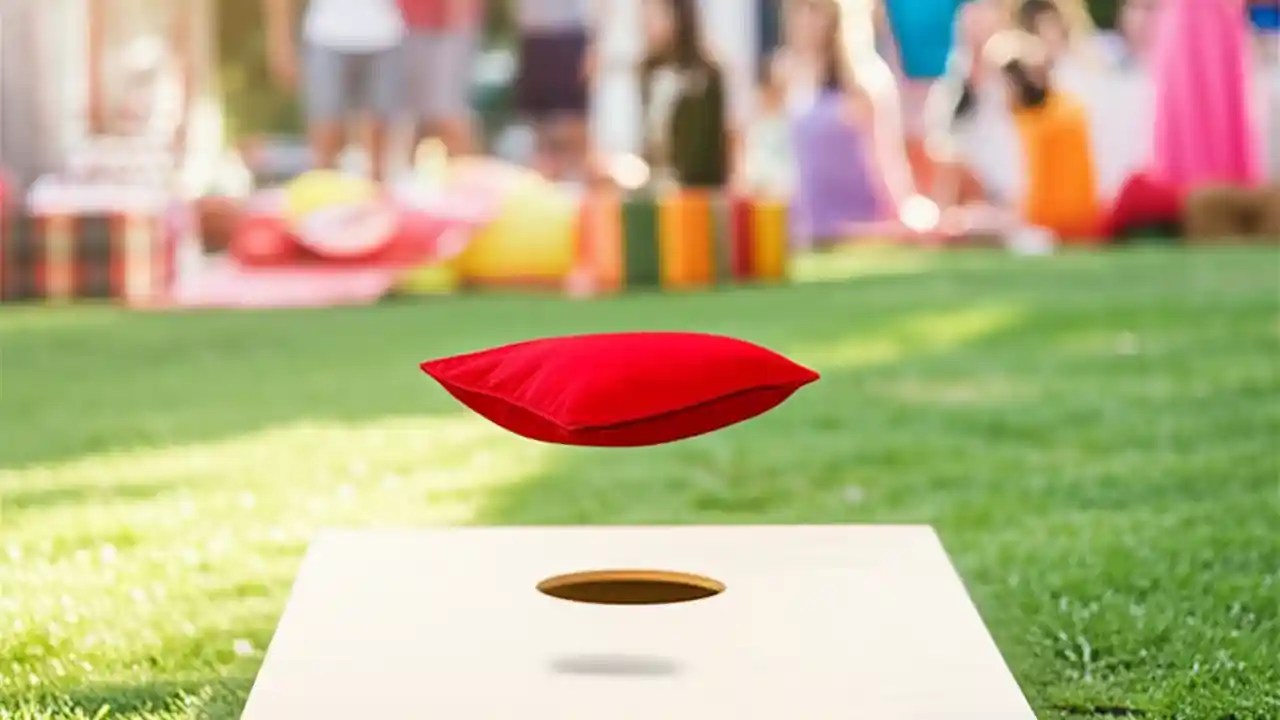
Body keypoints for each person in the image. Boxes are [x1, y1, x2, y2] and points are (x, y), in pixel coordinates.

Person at [774, 0, 935, 247]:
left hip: (860, 224)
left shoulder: (867, 82)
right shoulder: (787, 72)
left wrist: (906, 213)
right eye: (799, 11)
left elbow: (887, 163)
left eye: (815, 11)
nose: (806, 22)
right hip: (807, 224)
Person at [264, 0, 405, 181]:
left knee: (379, 149)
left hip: (387, 36)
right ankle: (323, 193)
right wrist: (281, 43)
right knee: (326, 137)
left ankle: (375, 194)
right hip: (326, 37)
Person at [638, 0, 730, 188]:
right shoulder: (648, 72)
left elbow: (708, 151)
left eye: (655, 15)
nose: (647, 24)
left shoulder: (706, 76)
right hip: (654, 188)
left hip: (695, 192)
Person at [512, 0, 601, 182]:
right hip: (533, 32)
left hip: (569, 32)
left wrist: (596, 44)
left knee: (571, 121)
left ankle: (584, 183)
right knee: (539, 121)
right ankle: (547, 184)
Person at [400, 0, 484, 157]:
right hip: (405, 25)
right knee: (412, 120)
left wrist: (459, 20)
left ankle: (467, 166)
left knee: (448, 118)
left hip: (448, 29)